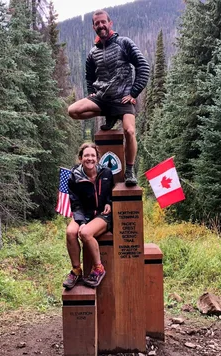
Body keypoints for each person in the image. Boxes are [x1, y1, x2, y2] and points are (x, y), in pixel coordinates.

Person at [66, 9, 150, 187]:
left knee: (129, 131)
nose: (101, 25)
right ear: (93, 26)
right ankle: (109, 114)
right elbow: (89, 76)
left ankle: (129, 170)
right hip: (103, 99)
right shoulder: (92, 53)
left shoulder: (123, 43)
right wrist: (91, 92)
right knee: (73, 111)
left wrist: (133, 93)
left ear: (110, 23)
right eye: (97, 23)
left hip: (122, 99)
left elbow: (143, 67)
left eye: (103, 22)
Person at [63, 143, 113, 290]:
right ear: (80, 158)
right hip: (83, 213)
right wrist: (82, 221)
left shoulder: (106, 173)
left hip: (103, 215)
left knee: (85, 233)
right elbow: (75, 203)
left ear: (97, 158)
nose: (89, 159)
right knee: (71, 232)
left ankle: (99, 268)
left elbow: (112, 191)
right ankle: (76, 270)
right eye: (86, 156)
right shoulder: (74, 176)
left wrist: (109, 202)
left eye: (92, 156)